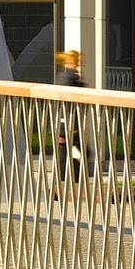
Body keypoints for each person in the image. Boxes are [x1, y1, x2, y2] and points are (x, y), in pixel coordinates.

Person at [54, 49, 89, 180]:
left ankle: (70, 178)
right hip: (66, 124)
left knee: (67, 154)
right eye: (77, 62)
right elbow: (66, 103)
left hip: (66, 123)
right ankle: (71, 178)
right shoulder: (67, 78)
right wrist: (70, 125)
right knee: (69, 154)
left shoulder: (67, 76)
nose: (78, 64)